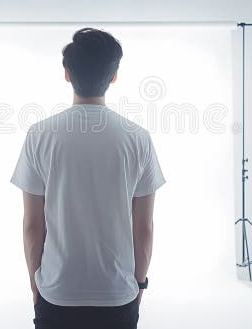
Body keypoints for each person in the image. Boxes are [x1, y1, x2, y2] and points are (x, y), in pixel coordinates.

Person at [11, 28, 166, 329]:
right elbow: (144, 227)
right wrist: (139, 285)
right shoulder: (138, 139)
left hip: (57, 292)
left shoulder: (40, 135)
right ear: (114, 76)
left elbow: (32, 225)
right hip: (118, 294)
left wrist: (35, 286)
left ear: (67, 75)